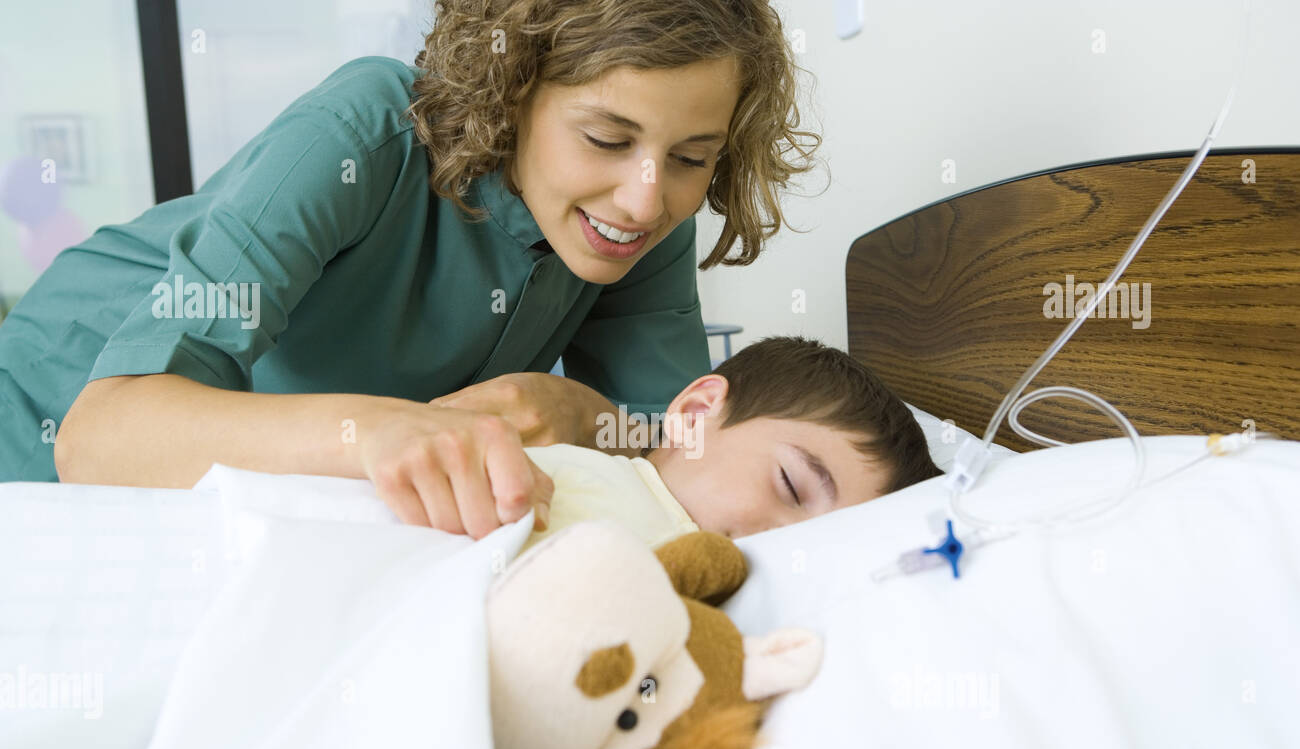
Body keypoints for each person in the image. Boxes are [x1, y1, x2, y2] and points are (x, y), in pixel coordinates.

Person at [0, 0, 821, 541]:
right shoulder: (365, 134)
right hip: (53, 403)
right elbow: (101, 438)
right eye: (606, 138)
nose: (646, 199)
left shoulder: (640, 221)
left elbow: (670, 453)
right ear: (511, 92)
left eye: (690, 156)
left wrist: (583, 411)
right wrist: (379, 429)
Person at [515, 336, 943, 555]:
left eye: (821, 538)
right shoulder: (560, 476)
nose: (790, 543)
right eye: (791, 488)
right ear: (696, 414)